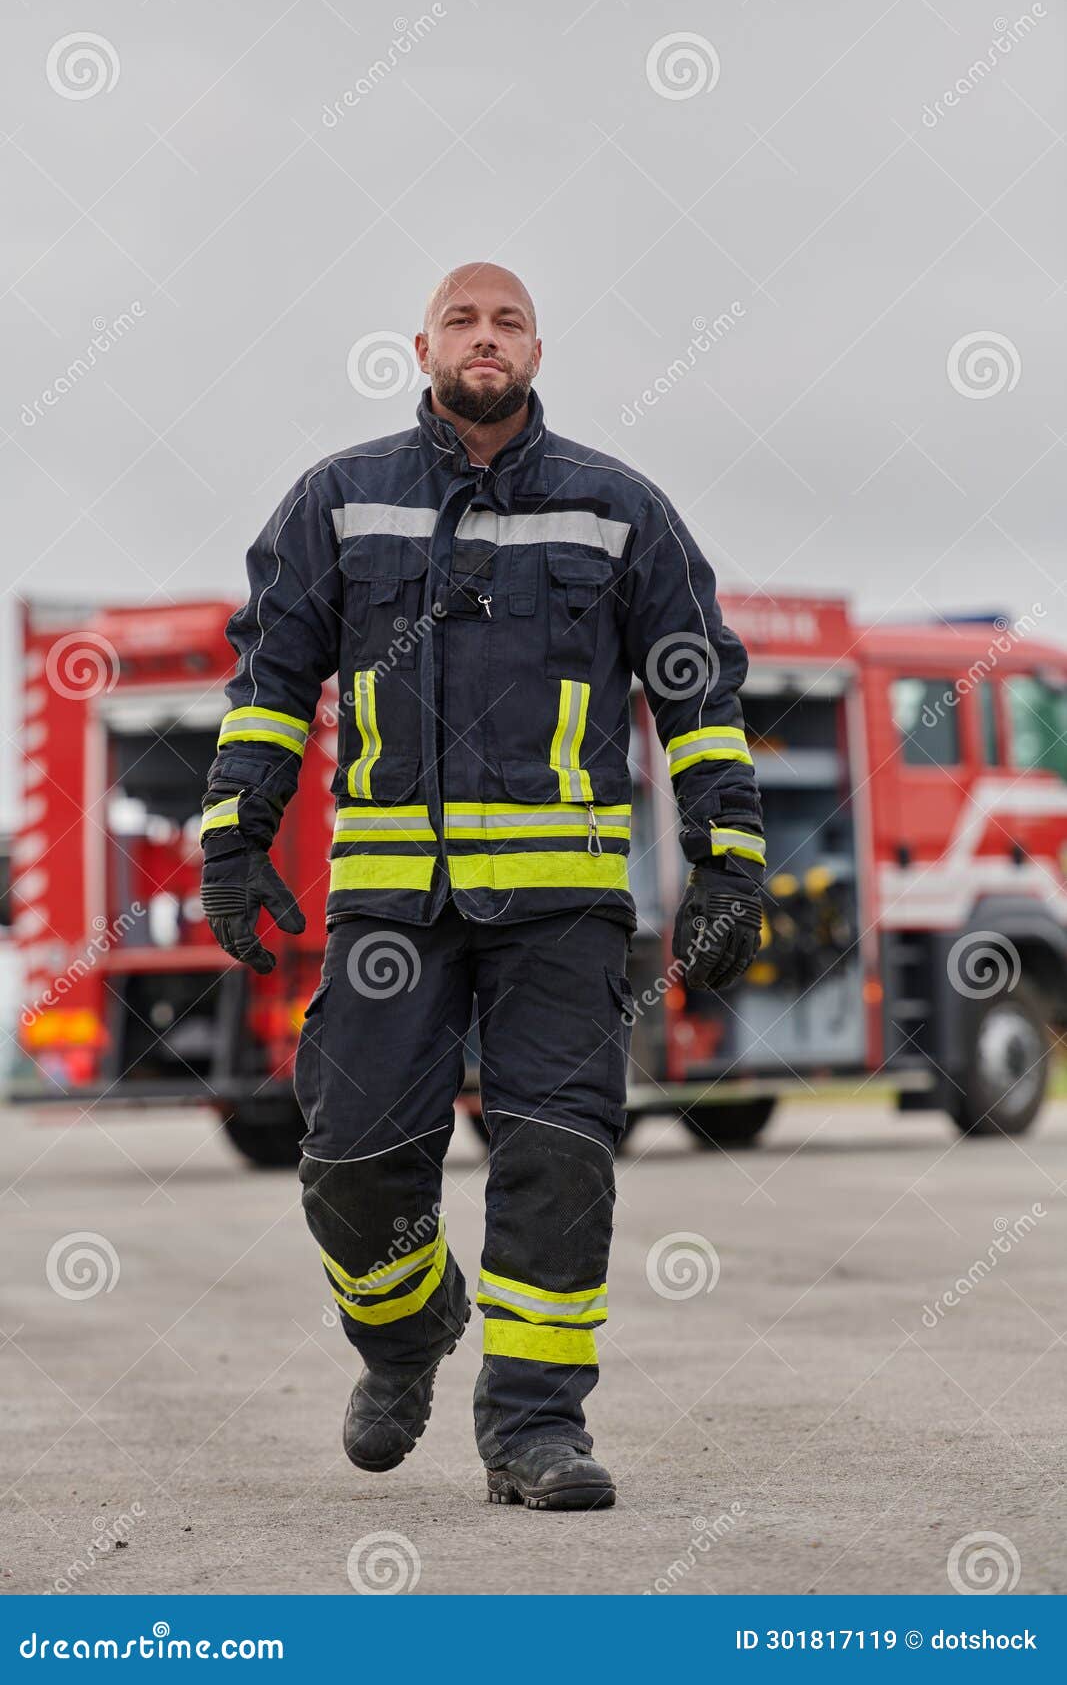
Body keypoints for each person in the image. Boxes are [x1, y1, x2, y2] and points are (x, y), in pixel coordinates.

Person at [199, 262, 765, 1511]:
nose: (485, 336)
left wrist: (729, 859)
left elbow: (697, 692)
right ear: (422, 345)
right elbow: (270, 687)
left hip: (563, 915)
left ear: (536, 347)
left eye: (506, 319)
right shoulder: (339, 503)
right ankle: (406, 1335)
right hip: (391, 909)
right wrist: (234, 839)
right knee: (349, 1161)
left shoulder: (618, 510)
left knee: (559, 1158)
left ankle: (534, 1429)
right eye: (462, 318)